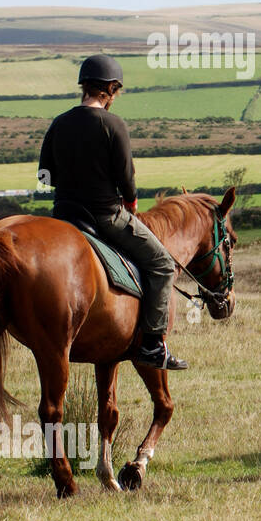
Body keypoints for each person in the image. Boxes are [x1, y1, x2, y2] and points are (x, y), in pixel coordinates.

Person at [39, 54, 185, 370]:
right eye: (116, 91)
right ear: (110, 89)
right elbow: (127, 180)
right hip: (104, 216)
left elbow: (44, 175)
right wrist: (130, 205)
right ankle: (151, 346)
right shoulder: (113, 124)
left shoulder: (59, 123)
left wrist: (68, 188)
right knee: (161, 264)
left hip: (64, 214)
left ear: (84, 87)